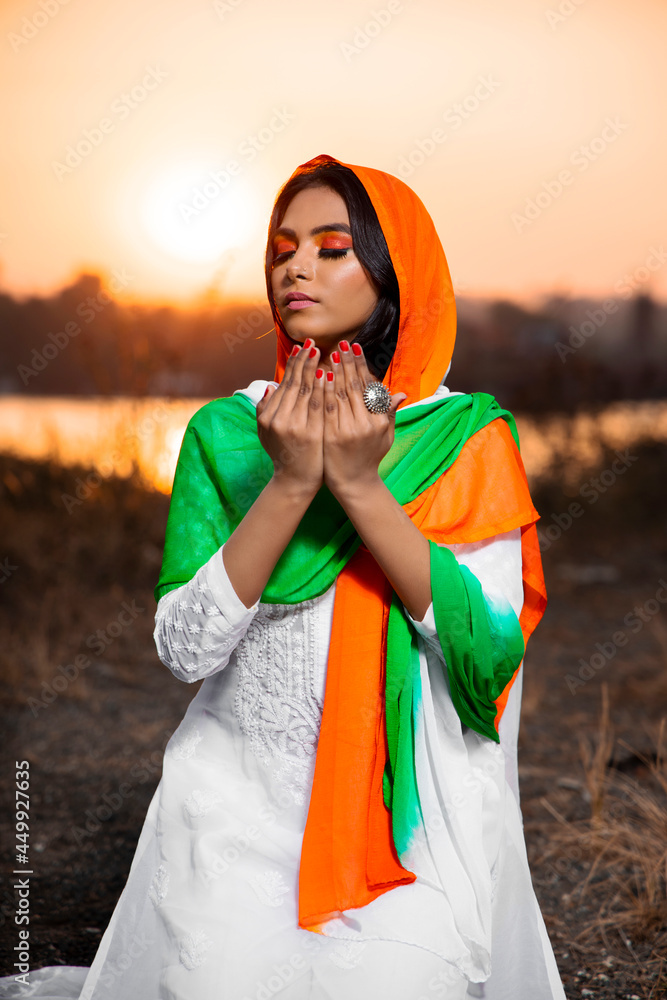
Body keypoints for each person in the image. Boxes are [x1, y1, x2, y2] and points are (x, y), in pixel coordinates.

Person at [0, 153, 565, 999]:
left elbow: (484, 656)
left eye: (333, 247)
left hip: (398, 831)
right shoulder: (229, 434)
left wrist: (362, 486)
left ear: (396, 271)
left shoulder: (467, 439)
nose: (295, 265)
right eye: (282, 247)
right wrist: (294, 479)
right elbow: (185, 650)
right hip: (229, 805)